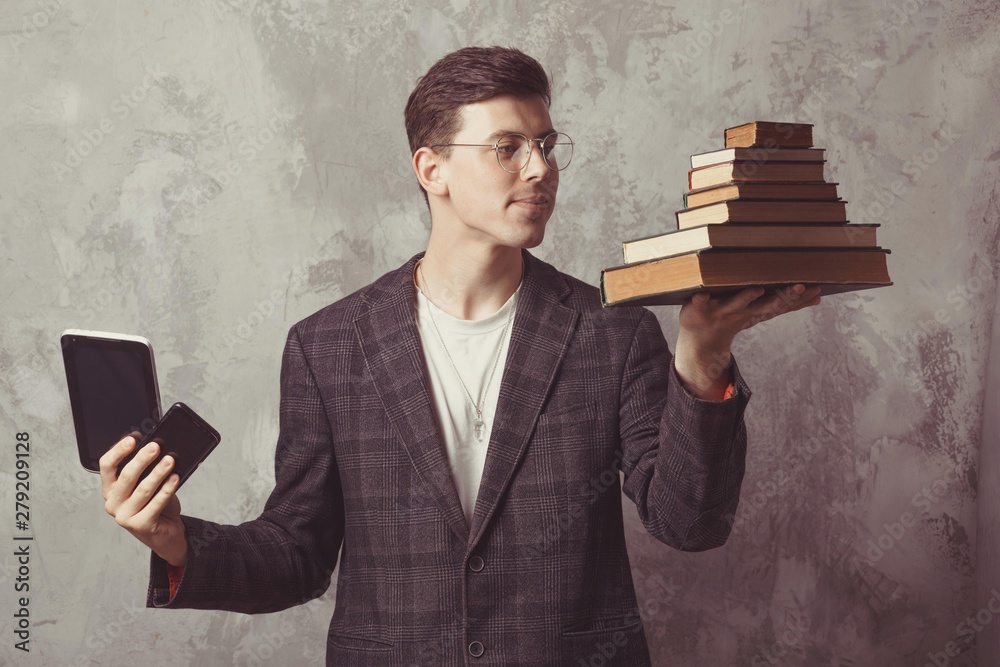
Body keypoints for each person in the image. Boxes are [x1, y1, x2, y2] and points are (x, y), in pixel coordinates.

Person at [99, 46, 821, 666]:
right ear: (431, 169)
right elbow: (298, 553)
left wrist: (703, 352)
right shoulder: (328, 347)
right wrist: (173, 539)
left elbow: (689, 524)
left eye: (546, 142)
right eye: (507, 147)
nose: (540, 168)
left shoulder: (614, 333)